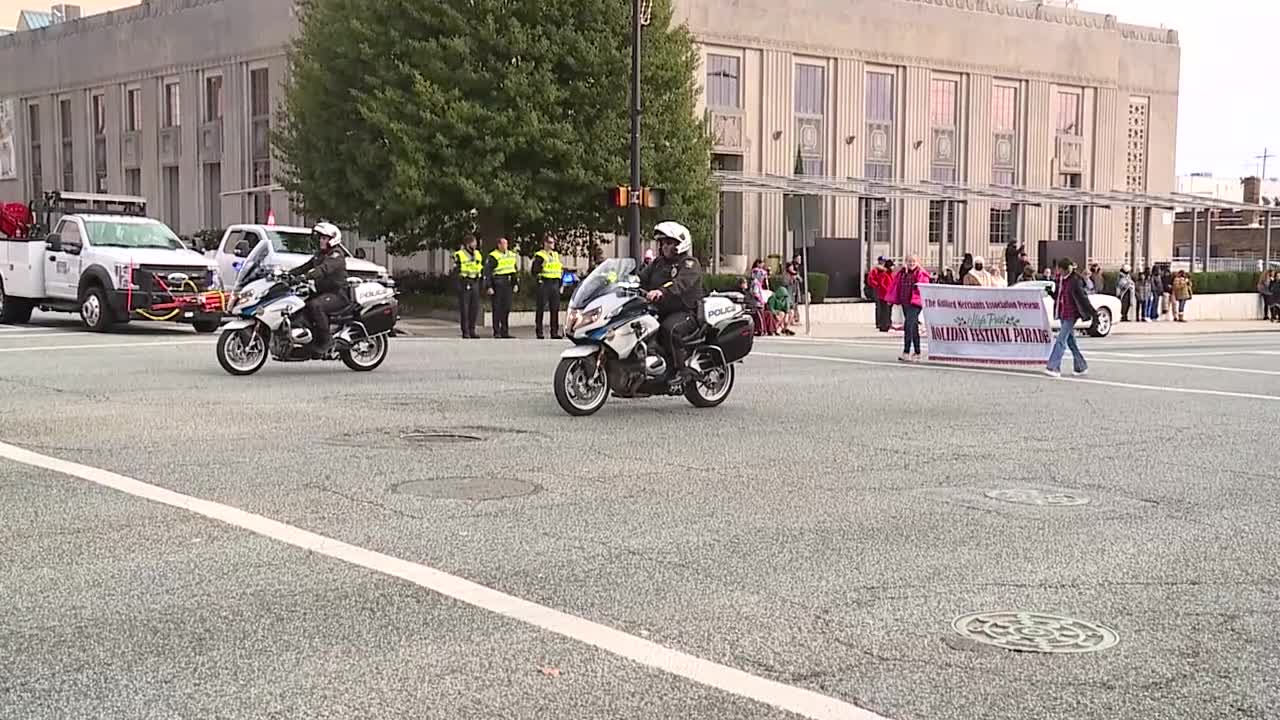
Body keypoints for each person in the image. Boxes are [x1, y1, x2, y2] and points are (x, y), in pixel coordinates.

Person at [638, 221, 704, 385]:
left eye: (668, 243)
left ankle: (680, 370)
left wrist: (661, 291)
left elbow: (680, 283)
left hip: (686, 312)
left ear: (680, 244)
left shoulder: (689, 264)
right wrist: (623, 282)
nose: (664, 247)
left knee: (670, 328)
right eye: (662, 243)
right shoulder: (658, 263)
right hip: (660, 311)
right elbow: (641, 278)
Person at [291, 222, 349, 358]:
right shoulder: (320, 254)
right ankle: (309, 340)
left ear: (332, 239)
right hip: (323, 292)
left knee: (315, 305)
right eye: (320, 238)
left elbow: (323, 269)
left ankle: (327, 340)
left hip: (338, 294)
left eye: (324, 238)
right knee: (300, 305)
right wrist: (288, 274)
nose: (321, 241)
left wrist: (306, 277)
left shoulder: (336, 256)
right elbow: (305, 266)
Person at [1045, 257, 1095, 378]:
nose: (1058, 271)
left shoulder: (1075, 280)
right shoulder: (1060, 280)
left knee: (1061, 340)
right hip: (1062, 312)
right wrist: (1051, 293)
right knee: (1070, 341)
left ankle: (1053, 367)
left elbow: (1083, 298)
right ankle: (1081, 366)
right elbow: (1059, 296)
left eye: (1059, 269)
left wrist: (1093, 312)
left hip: (1071, 314)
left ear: (1065, 269)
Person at [886, 254, 930, 362]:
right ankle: (917, 351)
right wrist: (891, 298)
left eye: (914, 261)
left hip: (915, 303)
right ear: (906, 262)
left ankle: (906, 351)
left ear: (918, 262)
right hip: (905, 302)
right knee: (913, 326)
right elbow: (895, 286)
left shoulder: (920, 273)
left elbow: (924, 287)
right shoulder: (902, 273)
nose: (911, 263)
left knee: (908, 325)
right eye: (910, 261)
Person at [484, 237, 519, 338]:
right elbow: (488, 272)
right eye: (503, 244)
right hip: (497, 283)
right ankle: (497, 331)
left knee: (506, 308)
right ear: (498, 245)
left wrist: (515, 283)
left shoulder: (511, 255)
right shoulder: (493, 256)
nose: (505, 246)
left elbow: (514, 271)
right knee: (497, 308)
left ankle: (505, 331)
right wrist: (489, 286)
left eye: (506, 244)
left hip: (507, 284)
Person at [530, 233, 563, 339]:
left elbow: (559, 270)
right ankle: (539, 331)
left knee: (555, 309)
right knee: (541, 308)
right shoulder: (540, 255)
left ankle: (554, 332)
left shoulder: (556, 255)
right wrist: (540, 271)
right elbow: (534, 271)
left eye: (553, 242)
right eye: (550, 242)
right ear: (545, 243)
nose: (552, 244)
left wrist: (560, 284)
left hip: (555, 284)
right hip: (545, 283)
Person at [453, 233, 483, 338]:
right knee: (465, 309)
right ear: (468, 244)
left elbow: (479, 267)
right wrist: (458, 284)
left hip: (475, 282)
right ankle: (465, 331)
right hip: (464, 282)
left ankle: (472, 330)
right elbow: (456, 271)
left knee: (474, 308)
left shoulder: (478, 254)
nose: (475, 244)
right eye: (474, 242)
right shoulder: (459, 254)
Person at [867, 257, 894, 332]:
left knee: (887, 309)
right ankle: (881, 323)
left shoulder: (889, 272)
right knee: (880, 307)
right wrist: (877, 286)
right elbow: (871, 280)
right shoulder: (877, 271)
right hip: (881, 291)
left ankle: (886, 323)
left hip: (887, 293)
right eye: (881, 261)